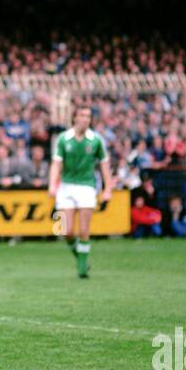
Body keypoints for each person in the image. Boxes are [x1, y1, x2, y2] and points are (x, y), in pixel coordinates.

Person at [47, 105, 113, 278]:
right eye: (82, 115)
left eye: (88, 116)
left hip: (86, 186)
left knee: (84, 231)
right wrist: (52, 185)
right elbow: (56, 164)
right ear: (74, 117)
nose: (85, 119)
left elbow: (104, 166)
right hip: (66, 186)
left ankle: (82, 269)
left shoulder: (96, 140)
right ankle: (80, 257)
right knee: (65, 230)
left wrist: (108, 189)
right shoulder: (63, 139)